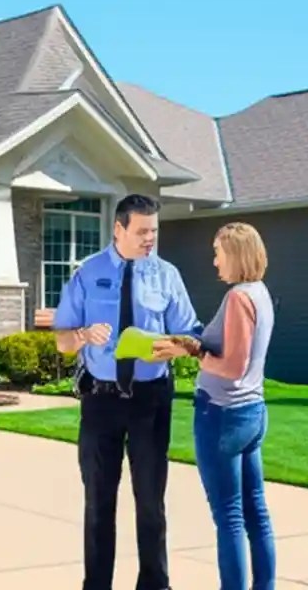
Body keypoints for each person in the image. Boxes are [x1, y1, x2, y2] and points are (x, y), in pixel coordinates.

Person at [52, 193, 202, 590]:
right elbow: (62, 342)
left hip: (150, 400)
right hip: (100, 401)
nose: (149, 238)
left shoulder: (167, 275)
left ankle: (155, 584)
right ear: (118, 229)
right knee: (99, 503)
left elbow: (191, 334)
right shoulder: (87, 273)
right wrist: (83, 335)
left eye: (154, 230)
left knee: (151, 502)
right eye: (141, 231)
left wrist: (176, 344)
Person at [154, 222, 277, 590]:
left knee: (230, 517)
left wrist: (192, 352)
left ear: (236, 254)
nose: (214, 261)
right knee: (255, 513)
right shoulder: (260, 293)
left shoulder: (239, 298)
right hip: (252, 413)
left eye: (218, 252)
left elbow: (232, 365)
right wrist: (193, 343)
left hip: (223, 415)